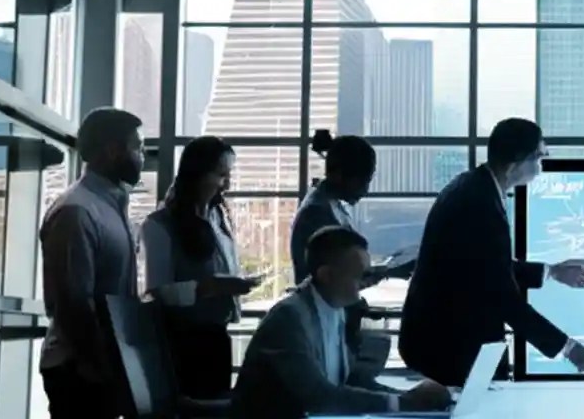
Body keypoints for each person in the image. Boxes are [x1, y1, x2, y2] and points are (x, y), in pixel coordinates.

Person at [399, 117, 584, 386]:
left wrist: (552, 272)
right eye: (539, 156)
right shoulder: (479, 204)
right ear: (516, 160)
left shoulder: (472, 188)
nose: (541, 166)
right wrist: (568, 348)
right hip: (449, 345)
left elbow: (484, 268)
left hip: (439, 337)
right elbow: (502, 297)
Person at [231, 226, 452, 419]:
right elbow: (319, 397)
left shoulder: (337, 309)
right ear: (326, 275)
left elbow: (348, 383)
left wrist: (406, 399)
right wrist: (402, 403)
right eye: (360, 275)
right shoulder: (289, 320)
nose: (367, 282)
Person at [39, 108, 146, 419]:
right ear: (113, 151)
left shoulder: (109, 206)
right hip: (80, 370)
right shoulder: (77, 211)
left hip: (103, 364)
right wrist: (98, 366)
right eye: (137, 147)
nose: (142, 156)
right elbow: (74, 301)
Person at [141, 136, 260, 400]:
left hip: (217, 338)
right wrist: (210, 287)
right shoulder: (159, 225)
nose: (226, 184)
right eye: (220, 175)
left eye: (228, 175)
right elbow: (158, 292)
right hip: (183, 344)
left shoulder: (217, 219)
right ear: (196, 174)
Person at [290, 130, 382, 285]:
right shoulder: (318, 213)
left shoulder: (328, 205)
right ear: (339, 174)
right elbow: (339, 276)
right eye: (362, 181)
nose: (365, 189)